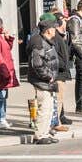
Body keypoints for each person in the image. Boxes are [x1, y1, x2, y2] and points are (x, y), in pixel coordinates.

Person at [24, 14, 61, 145]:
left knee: (49, 108)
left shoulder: (45, 40)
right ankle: (39, 135)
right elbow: (37, 64)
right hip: (42, 81)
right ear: (48, 30)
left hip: (47, 81)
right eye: (54, 28)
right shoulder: (39, 42)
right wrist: (48, 76)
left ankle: (45, 133)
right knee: (44, 108)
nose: (55, 30)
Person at [51, 8, 74, 130]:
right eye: (64, 20)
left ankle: (56, 121)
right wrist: (62, 66)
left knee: (59, 99)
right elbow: (54, 56)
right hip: (58, 74)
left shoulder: (61, 36)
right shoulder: (55, 38)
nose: (66, 23)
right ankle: (56, 123)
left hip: (62, 72)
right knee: (57, 100)